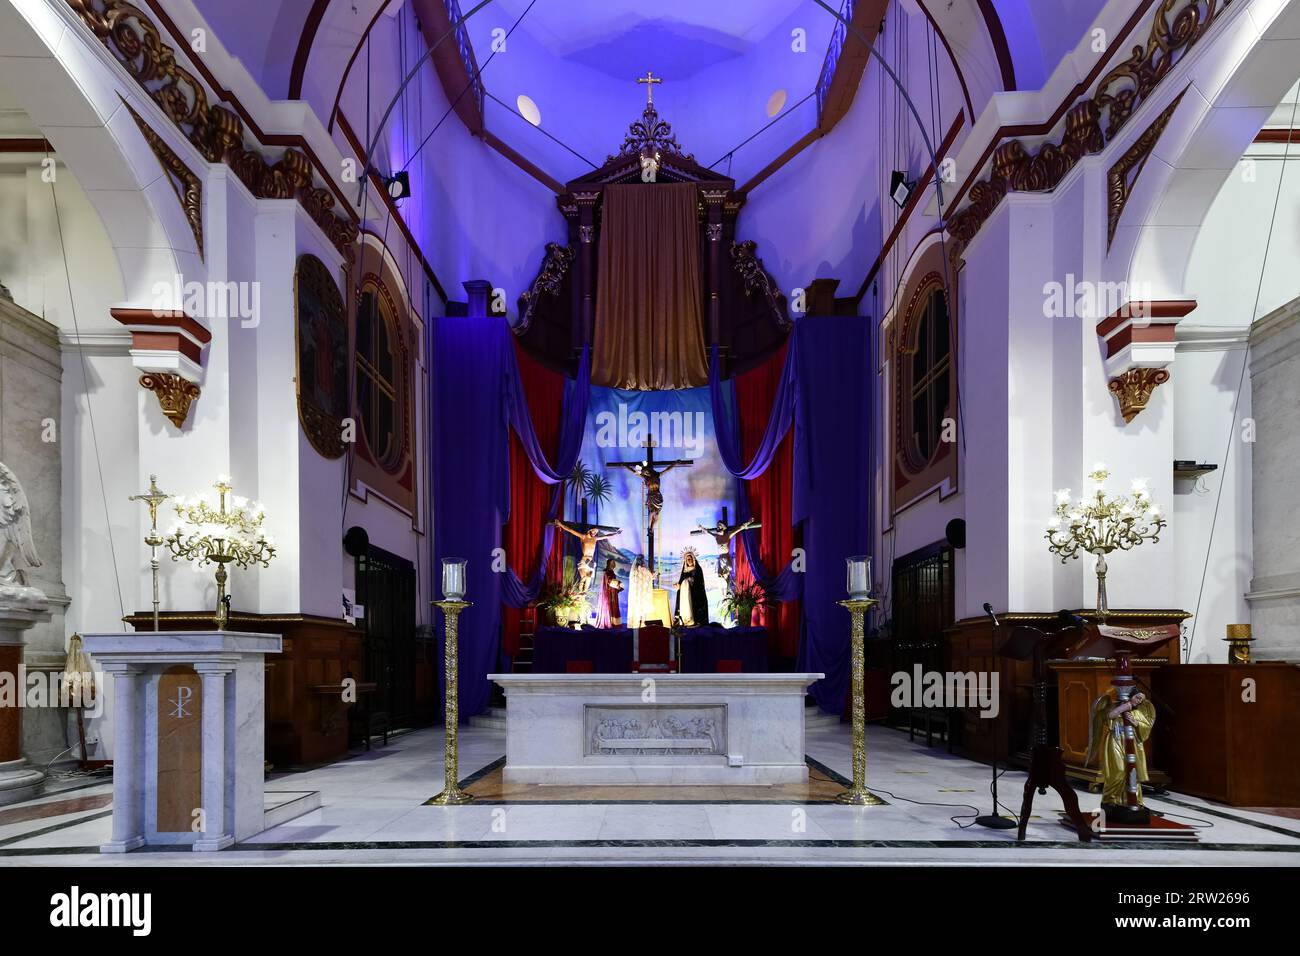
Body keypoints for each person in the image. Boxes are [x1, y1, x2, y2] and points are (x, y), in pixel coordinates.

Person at [674, 550, 709, 627]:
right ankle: (685, 620)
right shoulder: (684, 570)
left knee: (693, 607)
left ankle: (696, 621)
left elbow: (700, 582)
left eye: (690, 559)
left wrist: (691, 581)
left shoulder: (697, 570)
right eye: (687, 559)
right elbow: (681, 581)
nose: (689, 561)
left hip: (695, 593)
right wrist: (678, 585)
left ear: (693, 559)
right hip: (685, 593)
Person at [626, 555, 654, 628]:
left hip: (636, 592)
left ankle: (636, 622)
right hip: (643, 592)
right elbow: (650, 577)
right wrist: (653, 575)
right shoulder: (644, 569)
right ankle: (642, 622)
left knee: (637, 606)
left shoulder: (634, 570)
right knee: (643, 607)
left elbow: (633, 581)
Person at [595, 557, 624, 628]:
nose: (614, 564)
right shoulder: (608, 572)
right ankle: (610, 622)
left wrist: (618, 587)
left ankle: (613, 622)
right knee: (611, 606)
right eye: (612, 563)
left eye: (614, 563)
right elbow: (609, 580)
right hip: (610, 593)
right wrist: (619, 584)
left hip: (612, 592)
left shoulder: (610, 571)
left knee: (613, 606)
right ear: (609, 564)